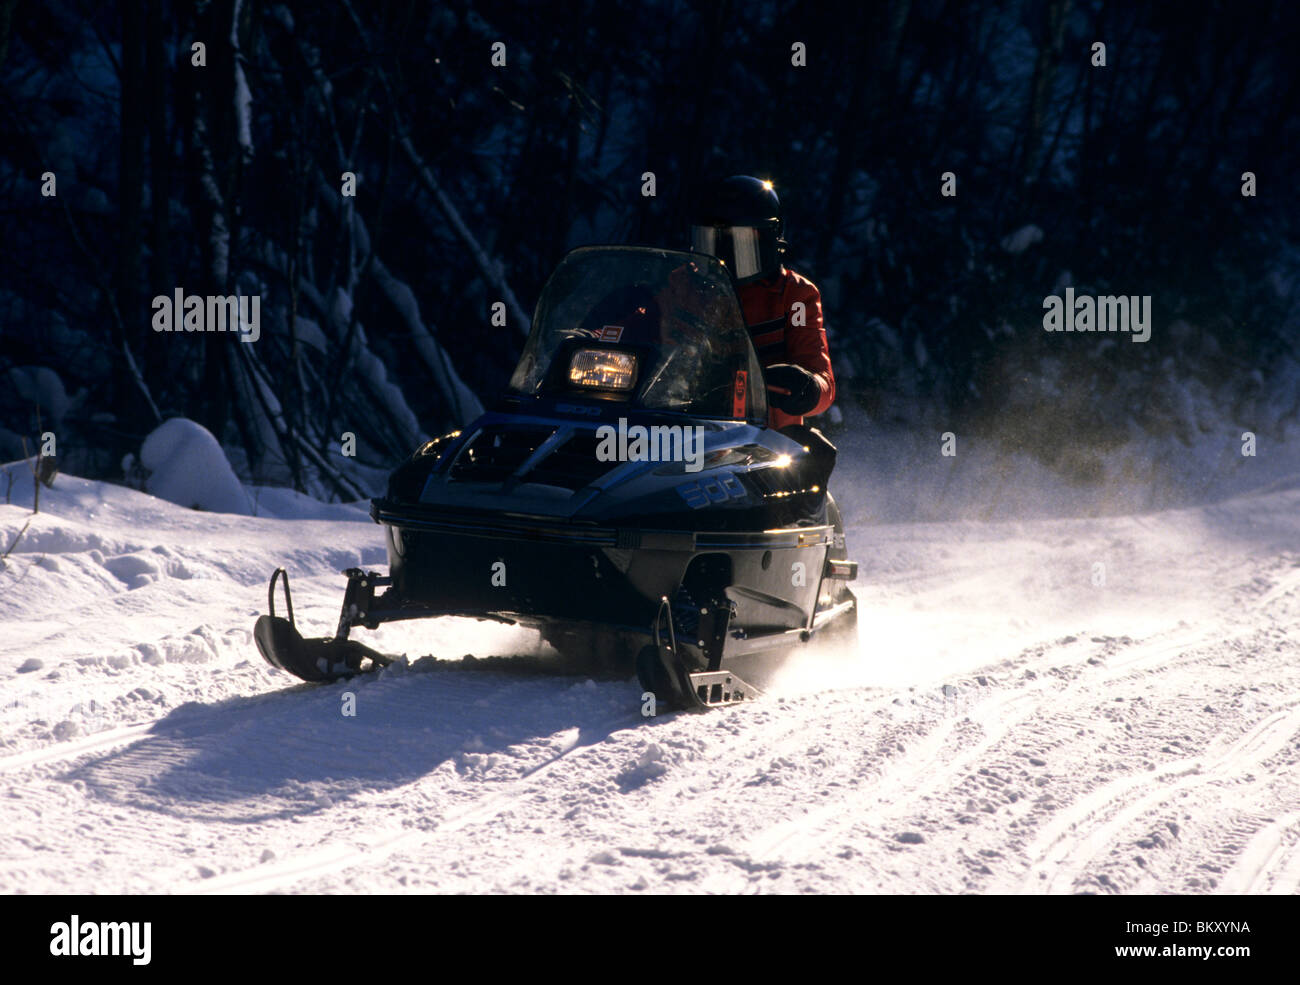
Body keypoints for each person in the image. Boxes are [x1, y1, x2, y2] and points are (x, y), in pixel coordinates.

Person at [689, 175, 835, 430]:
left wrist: (807, 387)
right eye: (711, 241)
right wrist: (599, 338)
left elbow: (822, 379)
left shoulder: (795, 296)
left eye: (741, 243)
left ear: (769, 242)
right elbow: (638, 327)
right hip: (682, 428)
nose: (725, 255)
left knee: (809, 457)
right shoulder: (681, 285)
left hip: (765, 441)